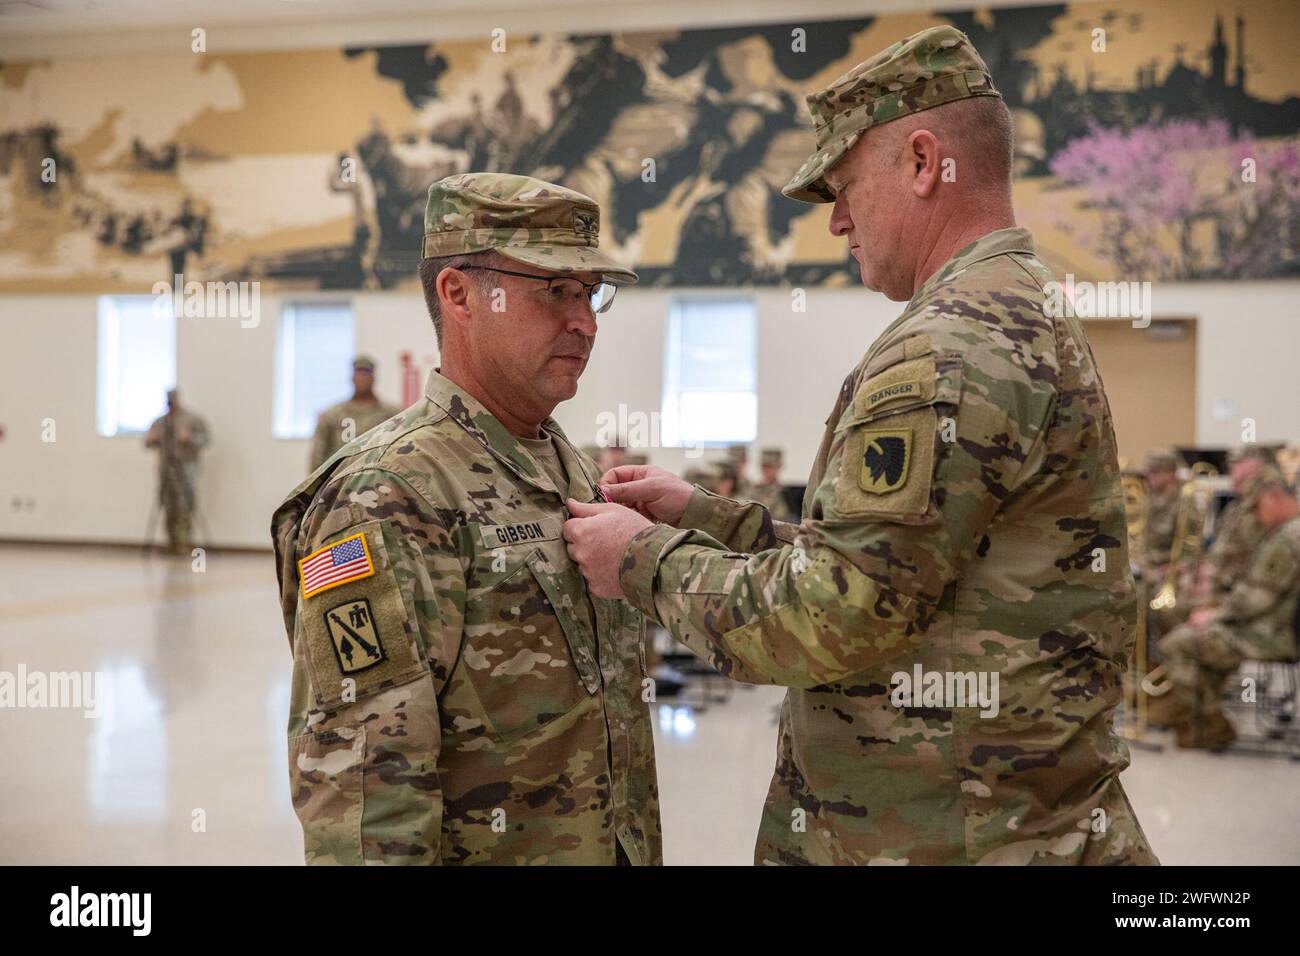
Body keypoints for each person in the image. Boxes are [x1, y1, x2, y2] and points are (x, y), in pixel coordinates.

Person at [563, 25, 1156, 865]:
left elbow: (832, 620)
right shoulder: (1011, 308)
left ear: (922, 164)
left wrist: (644, 560)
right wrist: (705, 518)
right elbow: (907, 574)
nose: (836, 221)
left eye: (843, 187)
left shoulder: (947, 346)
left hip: (945, 833)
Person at [271, 172, 660, 865]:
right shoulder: (386, 494)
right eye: (555, 290)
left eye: (590, 293)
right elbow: (365, 799)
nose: (586, 322)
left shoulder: (558, 461)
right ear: (459, 295)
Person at [1150, 472, 1300, 750]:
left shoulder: (1290, 537)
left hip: (1270, 633)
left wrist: (1214, 614)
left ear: (1274, 498)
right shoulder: (1287, 532)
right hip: (1268, 625)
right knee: (1188, 626)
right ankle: (1187, 710)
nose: (1256, 516)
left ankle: (1211, 725)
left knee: (1177, 644)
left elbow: (1256, 598)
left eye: (1257, 508)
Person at [144, 389, 209, 555]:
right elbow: (147, 443)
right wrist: (151, 439)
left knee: (185, 505)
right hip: (166, 468)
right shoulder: (160, 422)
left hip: (186, 467)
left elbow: (206, 439)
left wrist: (189, 438)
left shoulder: (192, 419)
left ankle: (184, 542)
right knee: (168, 505)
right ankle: (172, 543)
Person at [307, 355, 400, 472]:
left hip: (377, 479)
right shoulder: (333, 414)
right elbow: (318, 452)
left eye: (366, 373)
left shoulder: (391, 414)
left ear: (373, 378)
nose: (362, 378)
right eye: (359, 373)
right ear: (352, 377)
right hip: (339, 480)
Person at [747, 447, 793, 521]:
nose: (766, 470)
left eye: (770, 466)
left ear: (779, 466)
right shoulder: (751, 490)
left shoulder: (785, 493)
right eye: (764, 466)